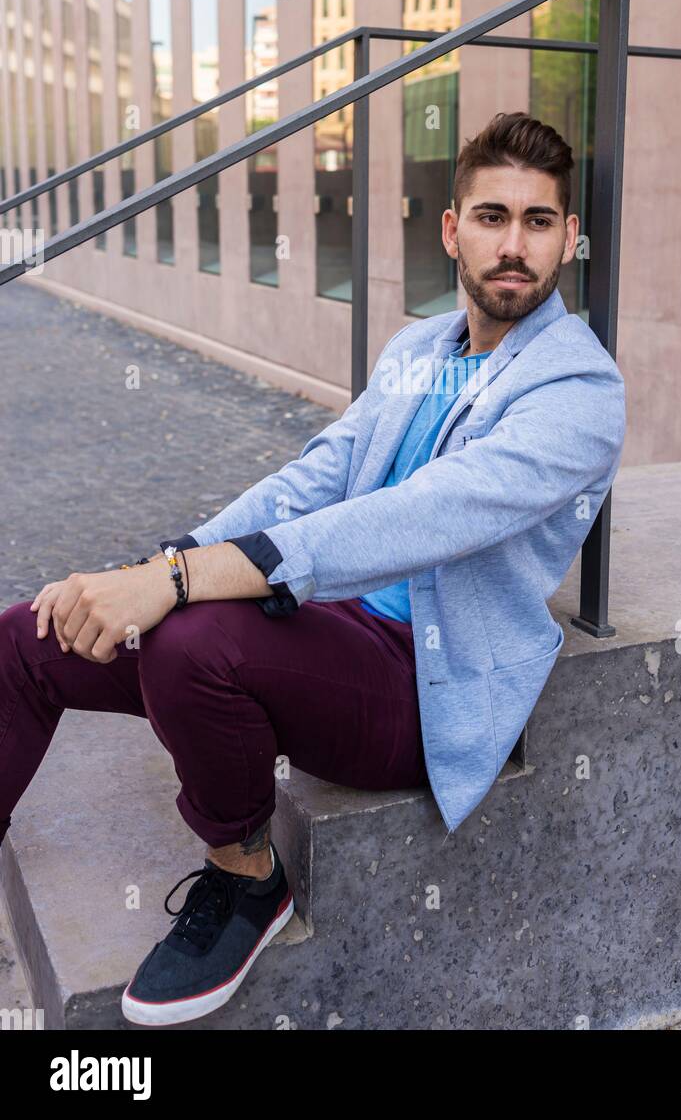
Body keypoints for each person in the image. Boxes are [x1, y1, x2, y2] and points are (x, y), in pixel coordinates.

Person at [0, 111, 626, 1026]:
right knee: (28, 635)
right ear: (452, 231)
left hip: (418, 682)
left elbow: (415, 517)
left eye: (538, 222)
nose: (514, 245)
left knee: (195, 641)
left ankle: (247, 877)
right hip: (322, 628)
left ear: (568, 240)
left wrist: (181, 584)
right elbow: (314, 481)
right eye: (492, 217)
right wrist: (156, 564)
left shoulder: (577, 393)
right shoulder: (418, 352)